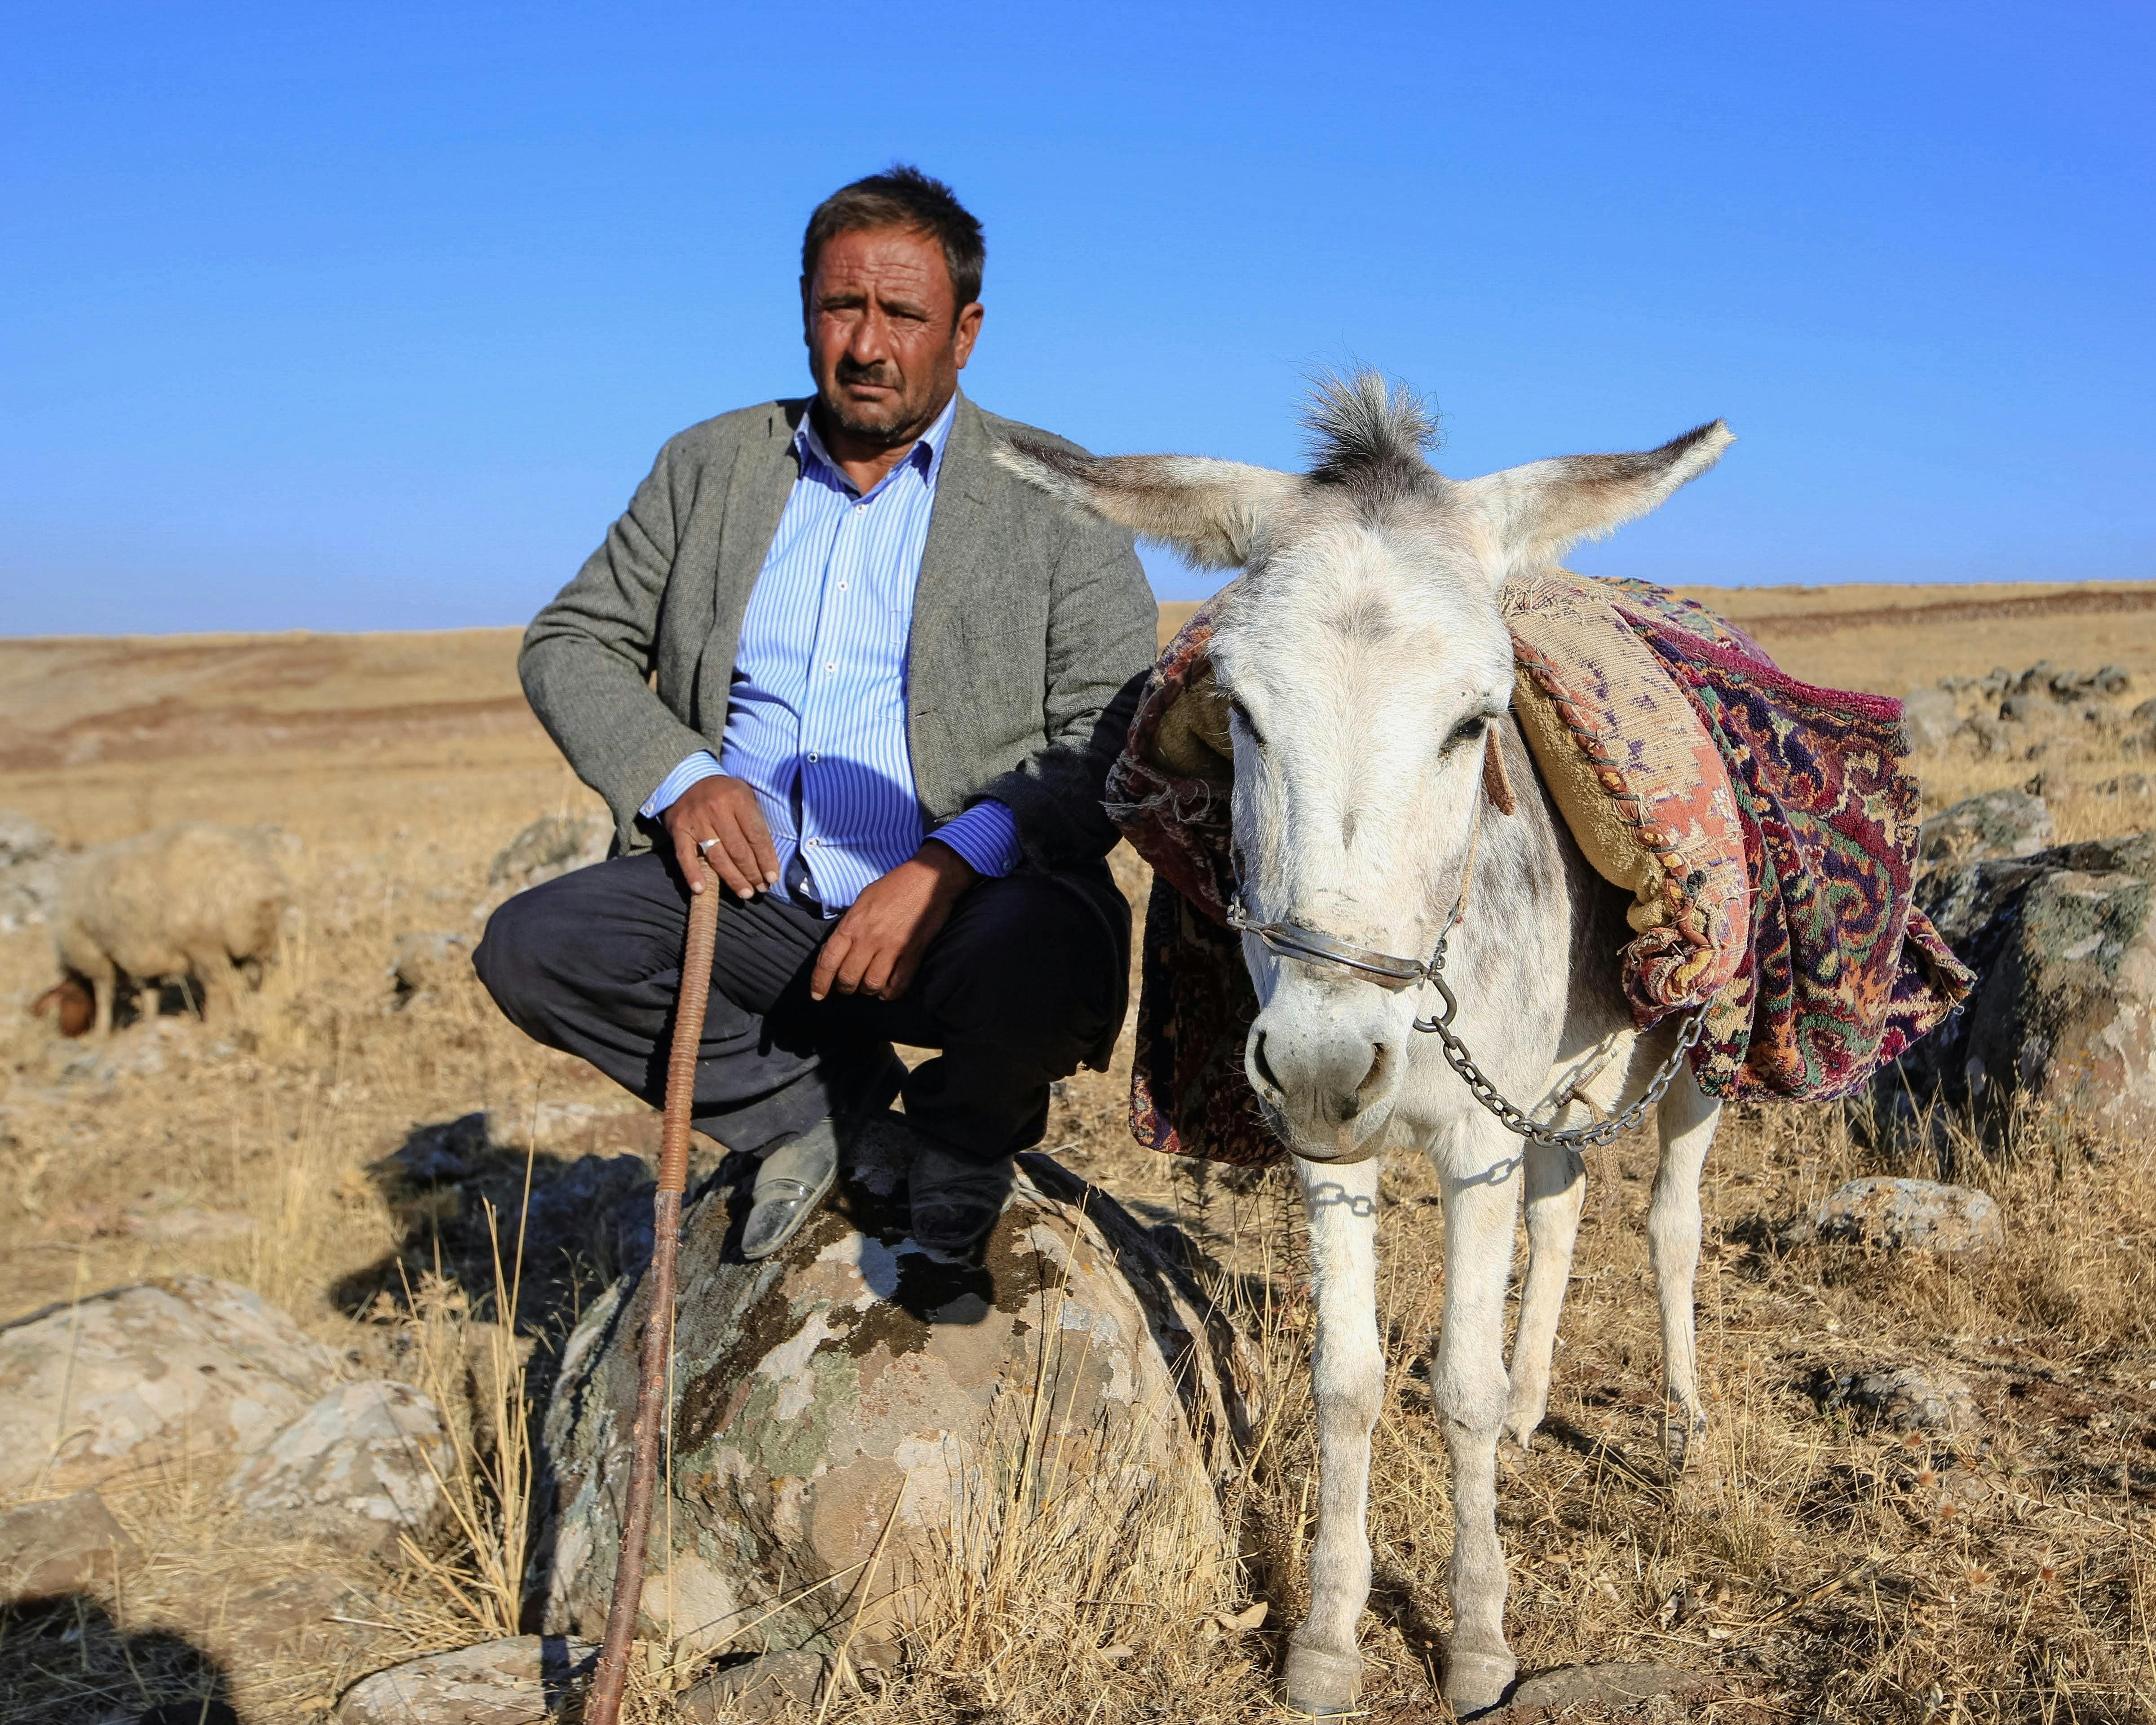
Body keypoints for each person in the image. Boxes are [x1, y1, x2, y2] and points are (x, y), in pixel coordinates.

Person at [474, 166, 1155, 1265]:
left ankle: (963, 1134)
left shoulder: (1056, 496)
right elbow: (572, 640)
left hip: (967, 917)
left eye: (905, 315)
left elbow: (1108, 731)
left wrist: (947, 864)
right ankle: (818, 1114)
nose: (868, 345)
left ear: (966, 332)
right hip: (755, 910)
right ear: (805, 309)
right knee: (537, 947)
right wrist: (681, 779)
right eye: (843, 307)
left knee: (1046, 952)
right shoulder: (708, 468)